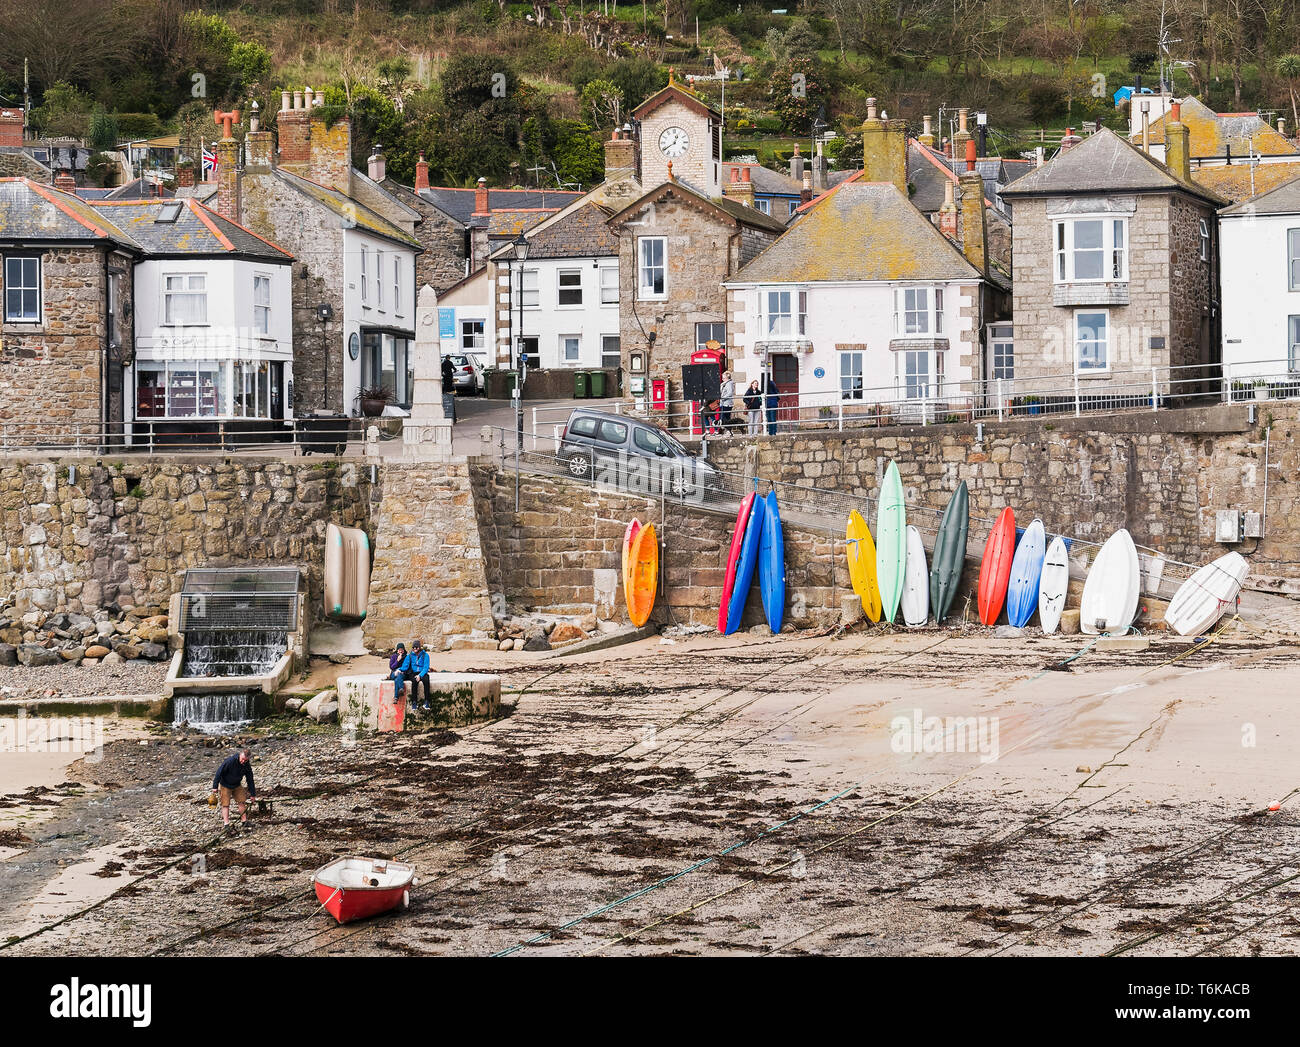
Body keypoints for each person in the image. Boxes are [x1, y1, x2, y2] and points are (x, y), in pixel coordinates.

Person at [211, 747, 256, 830]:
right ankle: (226, 824)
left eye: (245, 760)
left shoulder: (246, 765)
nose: (243, 761)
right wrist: (215, 786)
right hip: (225, 785)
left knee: (242, 801)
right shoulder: (230, 761)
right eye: (242, 759)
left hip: (237, 785)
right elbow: (219, 772)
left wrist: (253, 794)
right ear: (240, 755)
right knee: (225, 804)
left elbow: (250, 779)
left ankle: (244, 821)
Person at [400, 638, 431, 711]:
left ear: (419, 647)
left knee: (426, 680)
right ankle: (414, 702)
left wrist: (420, 675)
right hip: (413, 672)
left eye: (416, 647)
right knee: (414, 682)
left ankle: (427, 701)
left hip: (422, 672)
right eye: (413, 647)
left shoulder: (425, 655)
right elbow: (405, 666)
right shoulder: (410, 655)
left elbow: (426, 667)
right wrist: (399, 670)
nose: (414, 649)